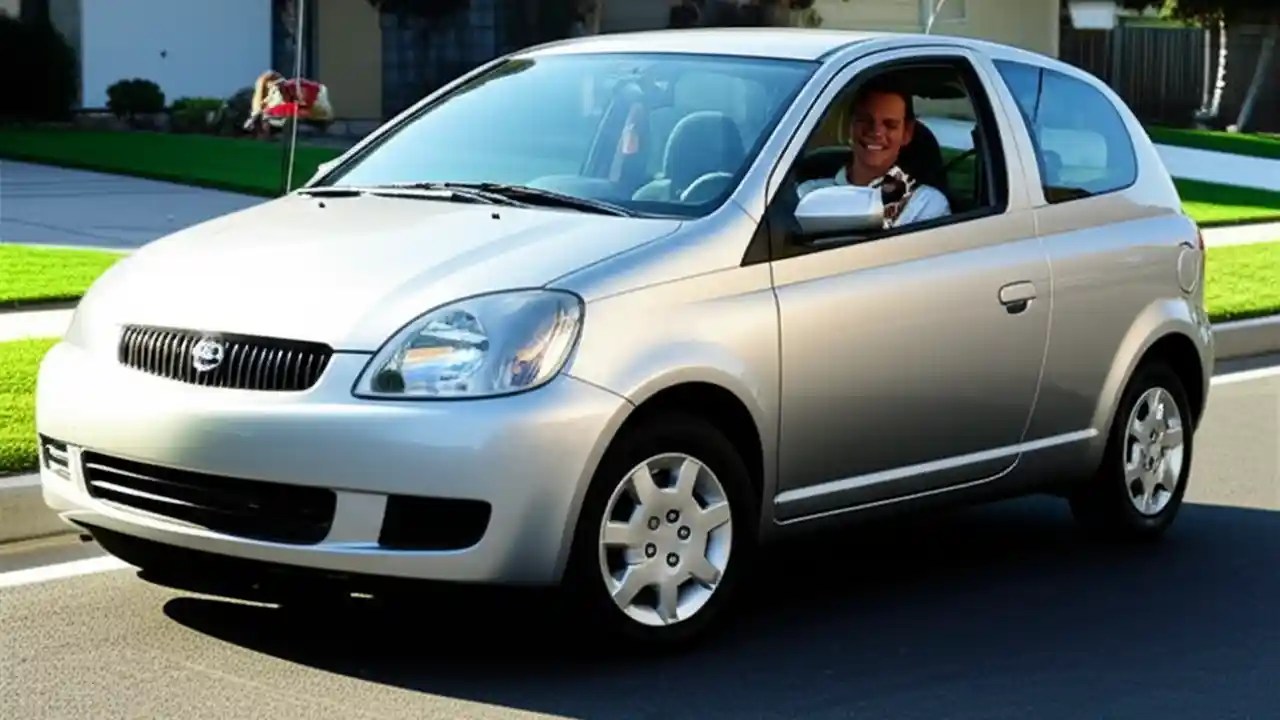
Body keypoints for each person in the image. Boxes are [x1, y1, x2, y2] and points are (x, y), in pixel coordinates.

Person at [798, 77, 951, 229]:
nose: (876, 132)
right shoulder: (809, 194)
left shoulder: (926, 204)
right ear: (849, 125)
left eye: (890, 125)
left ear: (907, 133)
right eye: (865, 120)